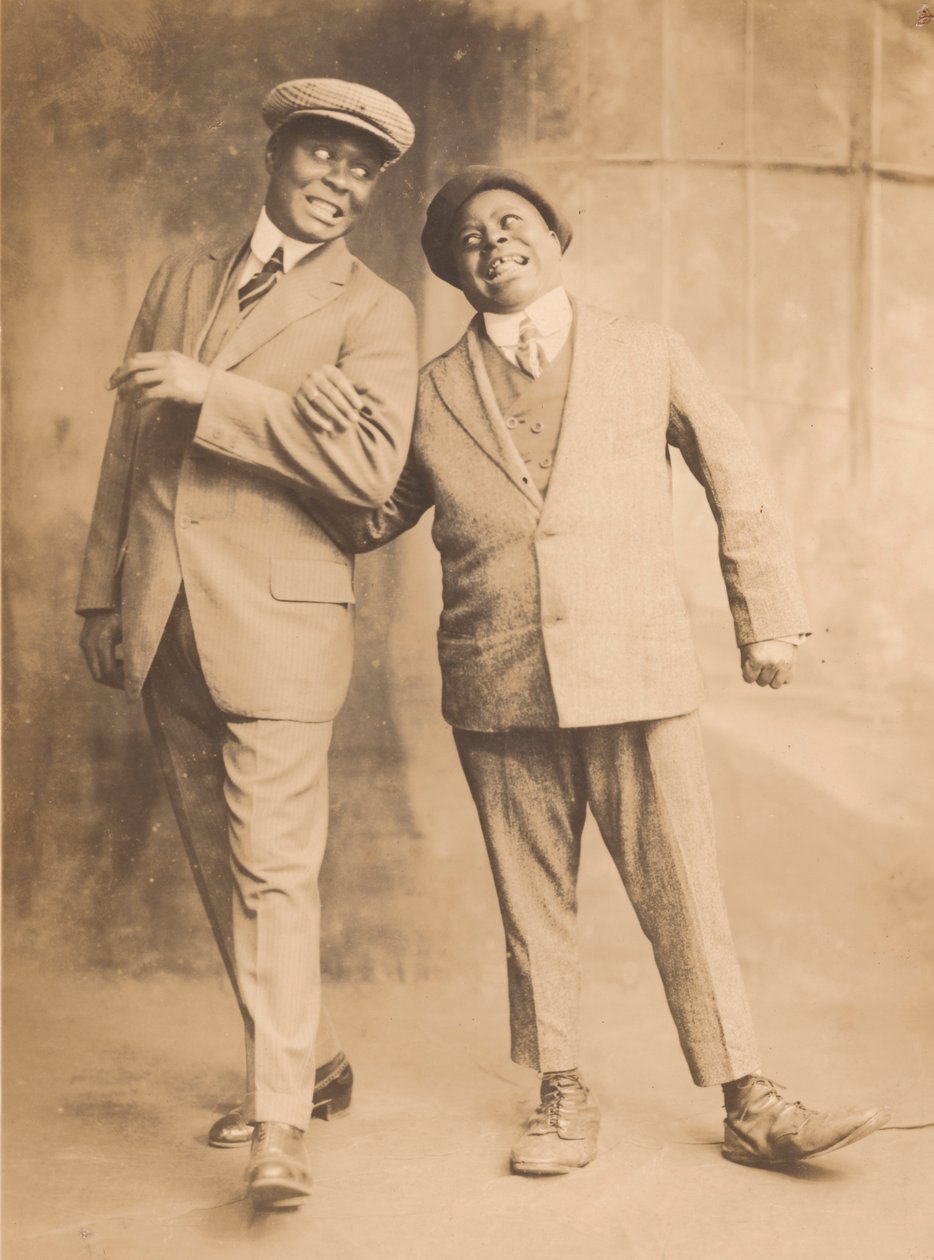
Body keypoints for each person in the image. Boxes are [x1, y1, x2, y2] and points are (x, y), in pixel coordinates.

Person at [304, 165, 889, 1176]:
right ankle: (561, 1092)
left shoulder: (643, 349)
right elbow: (367, 519)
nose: (493, 246)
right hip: (497, 678)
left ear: (552, 236)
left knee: (683, 888)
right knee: (531, 902)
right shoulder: (429, 390)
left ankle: (749, 1095)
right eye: (469, 241)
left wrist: (769, 624)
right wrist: (322, 441)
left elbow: (734, 468)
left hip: (637, 666)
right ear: (451, 271)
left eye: (510, 224)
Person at [76, 78, 418, 1206]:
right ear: (275, 154)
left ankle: (281, 1127)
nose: (341, 183)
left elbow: (369, 474)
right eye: (323, 155)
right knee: (225, 875)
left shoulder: (375, 310)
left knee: (276, 875)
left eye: (363, 171)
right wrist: (98, 597)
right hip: (160, 615)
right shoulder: (182, 277)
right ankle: (309, 1069)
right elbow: (131, 446)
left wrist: (211, 387)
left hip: (277, 623)